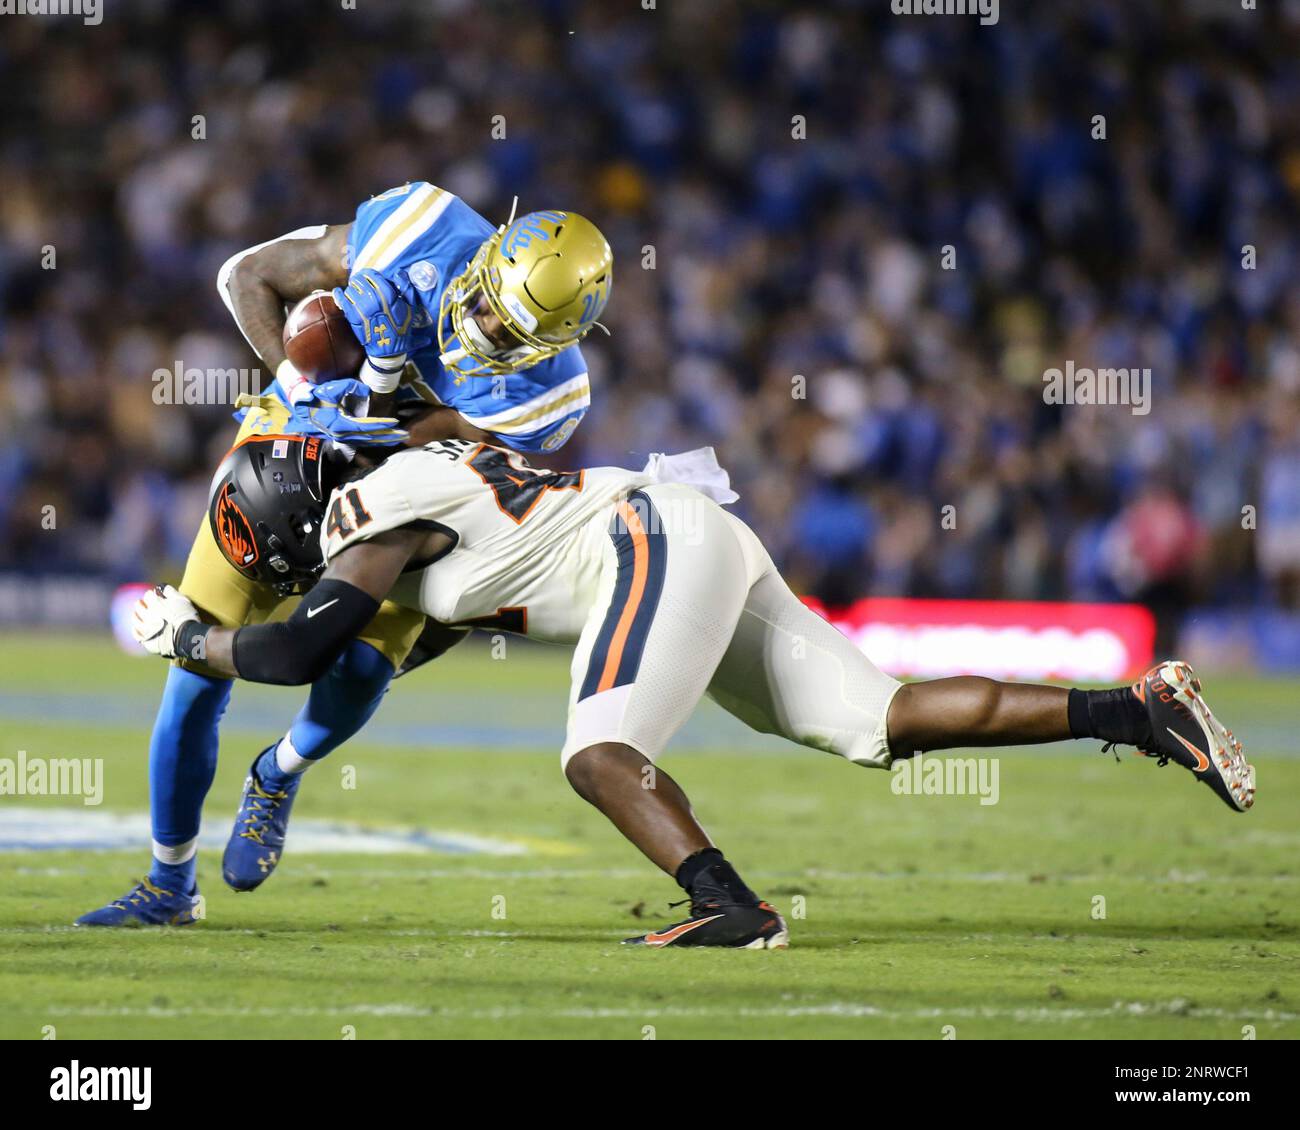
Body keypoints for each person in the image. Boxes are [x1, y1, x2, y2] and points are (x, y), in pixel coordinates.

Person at [124, 432, 1256, 947]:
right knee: (874, 719)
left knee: (597, 753)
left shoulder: (366, 517)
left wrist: (189, 638)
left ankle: (728, 902)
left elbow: (287, 655)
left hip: (647, 542)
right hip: (679, 531)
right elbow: (436, 619)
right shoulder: (409, 480)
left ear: (285, 525)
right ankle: (1132, 708)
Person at [75, 186, 612, 926]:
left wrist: (384, 375)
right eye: (489, 303)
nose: (488, 330)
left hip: (407, 495)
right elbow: (244, 273)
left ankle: (279, 770)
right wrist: (301, 384)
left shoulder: (551, 396)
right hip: (292, 441)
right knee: (194, 676)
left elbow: (418, 451)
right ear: (486, 259)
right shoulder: (421, 227)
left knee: (358, 668)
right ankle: (169, 885)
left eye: (515, 333)